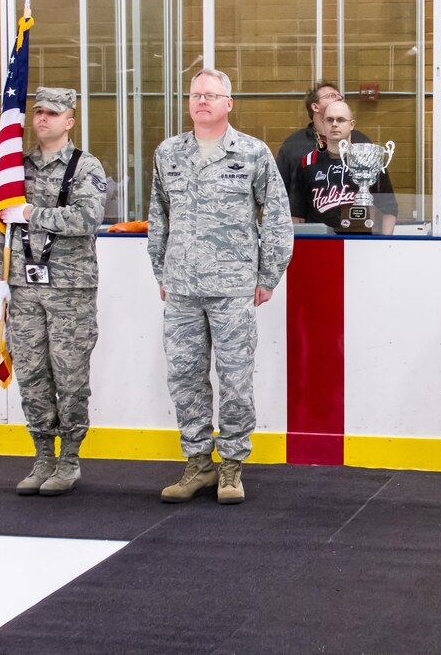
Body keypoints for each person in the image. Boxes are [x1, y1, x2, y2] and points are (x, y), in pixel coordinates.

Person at [148, 68, 293, 505]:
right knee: (185, 377)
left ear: (229, 103)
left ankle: (232, 465)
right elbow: (159, 218)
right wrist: (162, 273)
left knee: (234, 379)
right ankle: (198, 463)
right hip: (182, 289)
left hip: (233, 287)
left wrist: (268, 277)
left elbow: (279, 218)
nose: (202, 102)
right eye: (196, 95)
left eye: (212, 95)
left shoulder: (252, 152)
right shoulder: (168, 153)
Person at [0, 86, 107, 496]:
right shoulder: (15, 170)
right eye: (37, 112)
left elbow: (87, 218)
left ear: (69, 120)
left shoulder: (85, 167)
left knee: (70, 378)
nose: (42, 119)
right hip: (23, 288)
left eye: (52, 113)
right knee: (33, 376)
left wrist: (33, 214)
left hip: (70, 289)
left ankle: (69, 459)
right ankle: (42, 457)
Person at [289, 100, 398, 235]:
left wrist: (384, 244)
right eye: (329, 120)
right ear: (323, 124)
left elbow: (389, 209)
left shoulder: (369, 159)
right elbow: (297, 213)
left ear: (351, 125)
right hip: (320, 243)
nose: (334, 124)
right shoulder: (308, 162)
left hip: (362, 243)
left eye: (340, 120)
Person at [275, 81, 371, 198]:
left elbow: (381, 195)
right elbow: (278, 191)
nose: (338, 99)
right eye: (331, 96)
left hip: (354, 212)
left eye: (340, 97)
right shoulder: (293, 145)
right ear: (315, 106)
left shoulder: (360, 141)